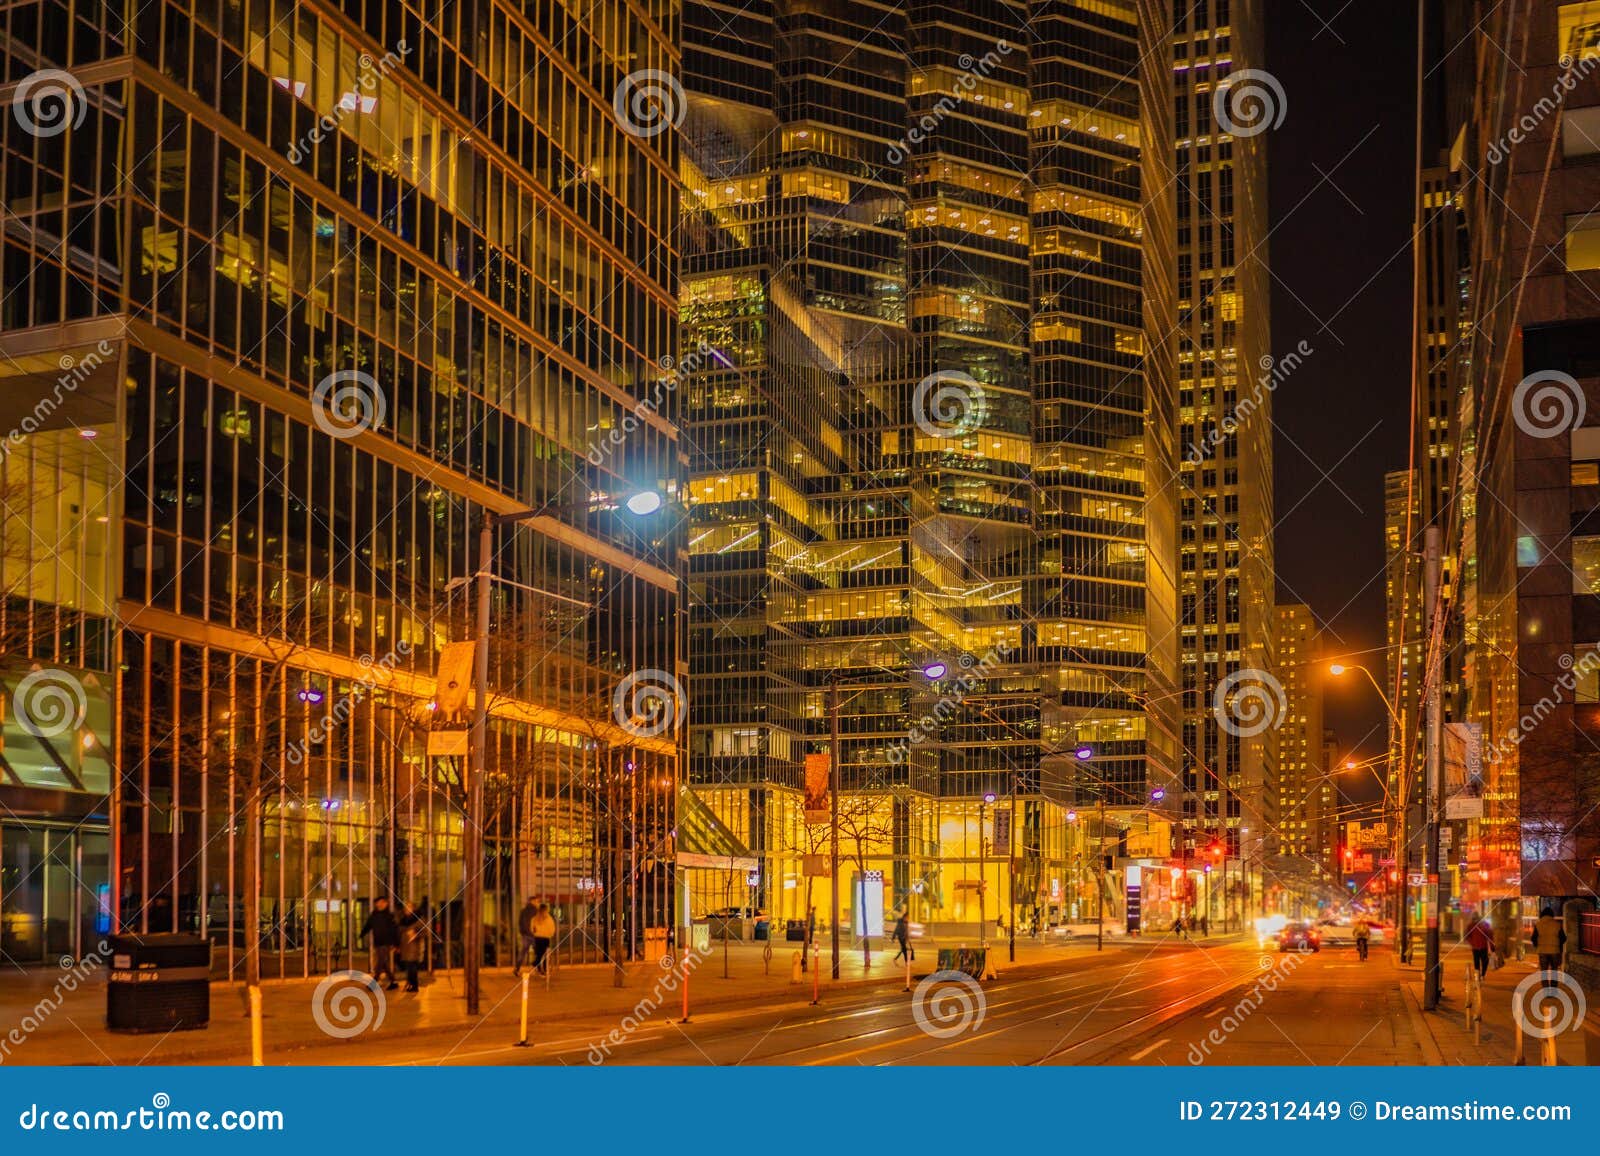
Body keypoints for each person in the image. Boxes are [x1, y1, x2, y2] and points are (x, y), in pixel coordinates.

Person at [358, 896, 400, 990]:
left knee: (380, 962)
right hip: (377, 942)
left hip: (386, 942)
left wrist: (396, 944)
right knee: (384, 963)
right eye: (378, 902)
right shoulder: (374, 915)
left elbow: (395, 930)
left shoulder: (389, 915)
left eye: (382, 902)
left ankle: (374, 983)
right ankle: (393, 981)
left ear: (386, 904)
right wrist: (362, 934)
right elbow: (368, 925)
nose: (380, 904)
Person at [1532, 906, 1566, 979]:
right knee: (1554, 972)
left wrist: (1537, 946)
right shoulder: (1557, 924)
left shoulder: (1538, 925)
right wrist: (1558, 946)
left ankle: (1545, 989)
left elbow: (1533, 938)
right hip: (1554, 951)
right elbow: (1563, 938)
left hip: (1542, 951)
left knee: (1544, 973)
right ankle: (1553, 989)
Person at [397, 901, 423, 992]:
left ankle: (414, 986)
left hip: (413, 946)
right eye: (406, 907)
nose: (407, 909)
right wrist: (398, 946)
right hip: (404, 946)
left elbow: (424, 932)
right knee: (408, 966)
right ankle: (410, 984)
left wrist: (416, 934)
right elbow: (399, 933)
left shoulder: (418, 919)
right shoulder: (403, 920)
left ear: (413, 909)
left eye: (409, 907)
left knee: (412, 967)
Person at [513, 897, 538, 976]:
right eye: (537, 901)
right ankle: (538, 969)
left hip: (525, 935)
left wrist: (523, 932)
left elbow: (520, 923)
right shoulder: (536, 911)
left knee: (523, 952)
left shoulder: (523, 911)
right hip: (534, 935)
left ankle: (517, 969)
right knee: (538, 952)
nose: (537, 902)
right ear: (532, 901)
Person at [530, 902, 556, 974]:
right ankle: (542, 969)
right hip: (545, 939)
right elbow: (552, 929)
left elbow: (532, 929)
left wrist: (535, 932)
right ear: (546, 909)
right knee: (543, 955)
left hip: (537, 938)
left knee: (539, 954)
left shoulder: (534, 918)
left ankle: (540, 969)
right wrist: (551, 934)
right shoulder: (549, 919)